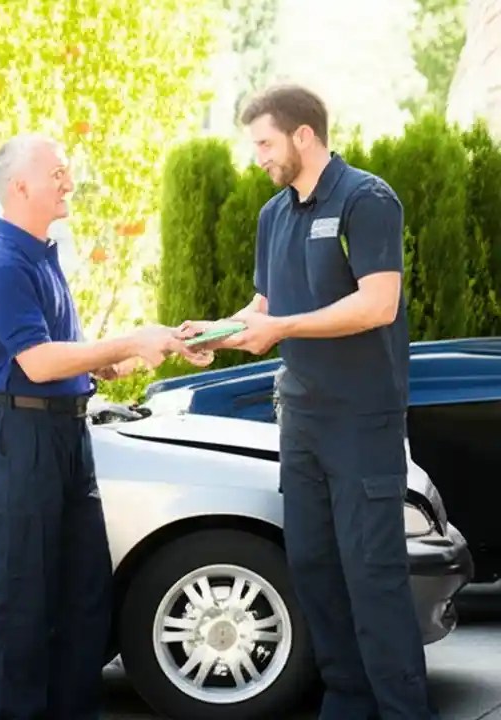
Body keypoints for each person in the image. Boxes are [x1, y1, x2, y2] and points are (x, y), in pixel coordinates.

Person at [185, 84, 434, 719]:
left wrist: (282, 329)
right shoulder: (275, 215)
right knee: (317, 572)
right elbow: (265, 309)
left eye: (265, 143)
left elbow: (377, 304)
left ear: (304, 136)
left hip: (361, 423)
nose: (258, 157)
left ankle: (405, 711)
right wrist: (213, 331)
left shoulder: (366, 200)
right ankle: (347, 706)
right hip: (300, 420)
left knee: (372, 578)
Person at [0, 133, 211, 719]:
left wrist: (158, 346)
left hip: (65, 439)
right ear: (20, 186)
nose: (69, 181)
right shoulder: (1, 265)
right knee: (26, 610)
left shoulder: (41, 257)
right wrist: (127, 340)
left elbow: (64, 356)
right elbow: (38, 362)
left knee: (84, 600)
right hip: (21, 443)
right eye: (59, 172)